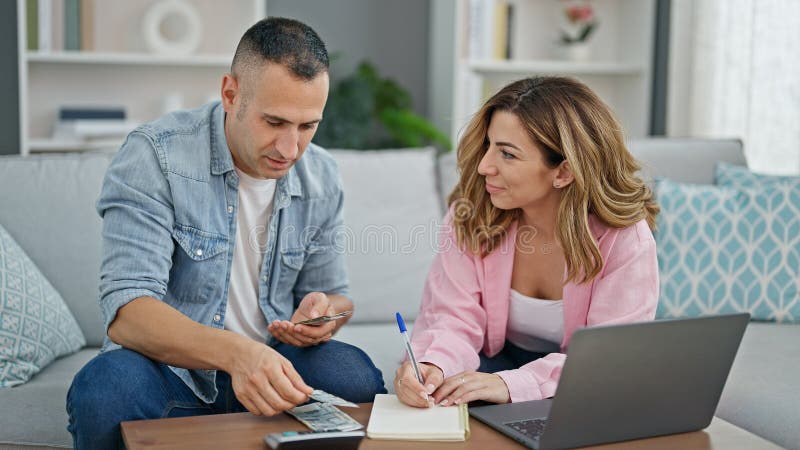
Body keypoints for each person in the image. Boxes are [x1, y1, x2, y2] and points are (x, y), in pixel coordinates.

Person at [67, 17, 386, 449]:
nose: (290, 148)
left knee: (354, 377)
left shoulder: (322, 175)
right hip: (171, 373)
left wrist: (323, 315)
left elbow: (337, 297)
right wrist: (238, 354)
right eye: (274, 122)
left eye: (307, 126)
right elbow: (128, 313)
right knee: (105, 390)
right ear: (230, 95)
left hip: (272, 367)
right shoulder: (156, 155)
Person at [394, 76, 659, 408]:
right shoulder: (472, 214)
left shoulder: (624, 238)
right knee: (447, 392)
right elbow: (451, 317)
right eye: (489, 145)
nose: (484, 166)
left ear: (563, 172)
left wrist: (512, 384)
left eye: (507, 154)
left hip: (583, 378)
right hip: (493, 362)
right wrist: (433, 364)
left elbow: (609, 357)